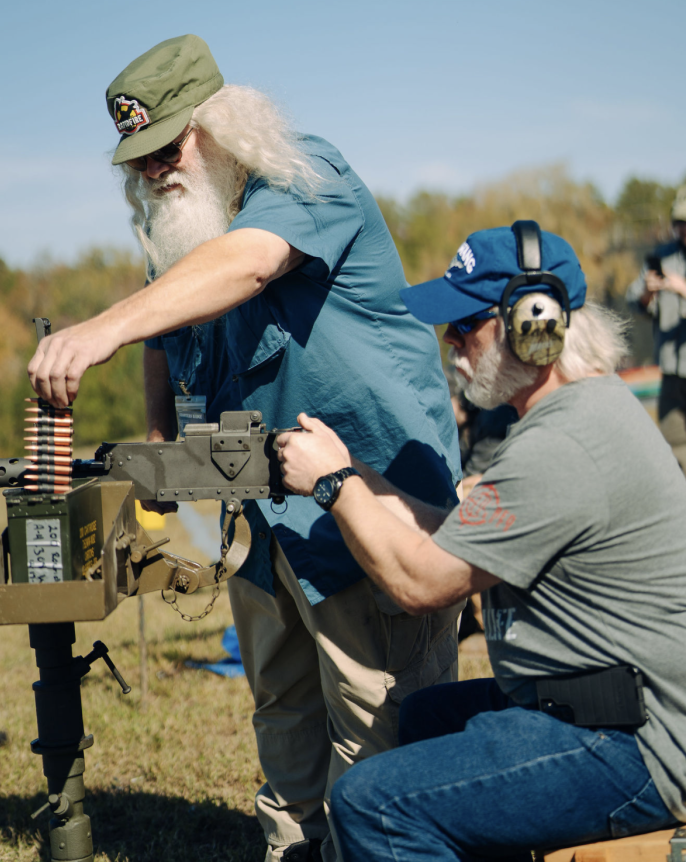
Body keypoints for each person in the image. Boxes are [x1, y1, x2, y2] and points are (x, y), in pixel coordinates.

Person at [28, 34, 463, 862]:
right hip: (261, 524)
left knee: (379, 727)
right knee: (284, 718)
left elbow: (249, 265)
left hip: (365, 503)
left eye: (168, 147)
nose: (154, 170)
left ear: (221, 126)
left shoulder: (305, 177)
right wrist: (162, 445)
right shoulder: (180, 224)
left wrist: (102, 329)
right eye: (137, 157)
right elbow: (172, 331)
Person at [277, 222, 686, 861]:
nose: (450, 342)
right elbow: (458, 539)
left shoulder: (560, 447)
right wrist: (359, 474)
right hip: (601, 704)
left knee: (371, 804)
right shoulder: (577, 415)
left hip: (634, 745)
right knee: (424, 718)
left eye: (466, 324)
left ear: (536, 323)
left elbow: (423, 583)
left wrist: (333, 484)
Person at [626, 186, 686, 470]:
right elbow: (633, 299)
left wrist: (683, 289)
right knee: (675, 447)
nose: (683, 230)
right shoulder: (664, 257)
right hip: (673, 372)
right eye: (680, 224)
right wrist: (648, 294)